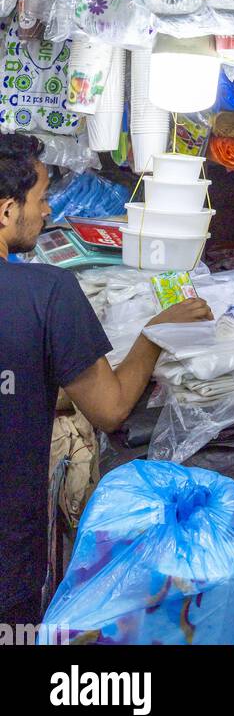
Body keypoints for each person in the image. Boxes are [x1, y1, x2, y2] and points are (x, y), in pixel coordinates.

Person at [0, 133, 213, 627]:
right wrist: (153, 335)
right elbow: (110, 407)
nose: (48, 210)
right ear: (7, 211)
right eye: (41, 198)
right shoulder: (46, 292)